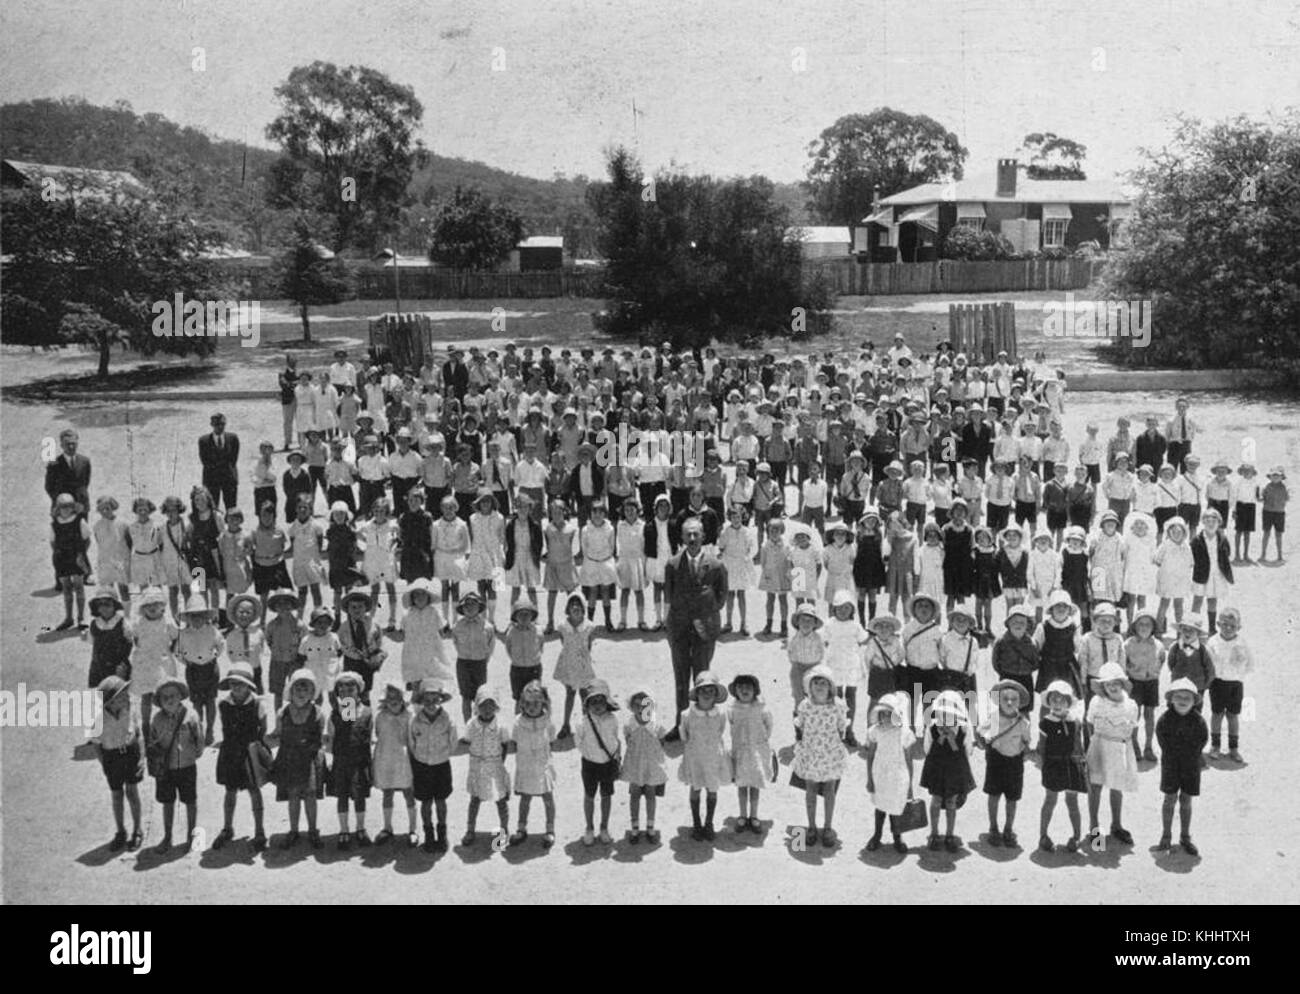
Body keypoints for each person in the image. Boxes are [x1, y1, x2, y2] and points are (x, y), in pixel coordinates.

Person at [662, 517, 726, 740]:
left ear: (703, 537)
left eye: (695, 534)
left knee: (702, 680)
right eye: (687, 534)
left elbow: (721, 597)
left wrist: (704, 615)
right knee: (681, 679)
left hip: (704, 631)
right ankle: (680, 725)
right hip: (679, 630)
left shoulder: (716, 565)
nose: (691, 538)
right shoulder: (672, 564)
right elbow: (669, 597)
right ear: (681, 537)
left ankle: (702, 727)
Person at [212, 662, 269, 852]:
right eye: (233, 683)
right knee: (230, 790)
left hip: (249, 752)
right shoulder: (224, 704)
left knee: (255, 790)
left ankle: (260, 831)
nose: (236, 687)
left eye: (241, 683)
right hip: (231, 752)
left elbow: (264, 728)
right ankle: (227, 828)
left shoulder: (258, 704)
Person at [792, 665, 849, 848]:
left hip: (830, 754)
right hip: (811, 753)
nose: (819, 686)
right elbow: (800, 725)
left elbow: (842, 727)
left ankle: (828, 827)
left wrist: (832, 745)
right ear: (810, 687)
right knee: (811, 790)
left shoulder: (838, 705)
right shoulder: (805, 706)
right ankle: (810, 827)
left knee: (830, 790)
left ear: (831, 687)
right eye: (815, 682)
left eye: (823, 682)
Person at [271, 668, 327, 850]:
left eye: (307, 690)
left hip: (309, 759)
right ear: (290, 691)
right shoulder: (283, 712)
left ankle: (312, 830)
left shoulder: (318, 712)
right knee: (293, 794)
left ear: (313, 693)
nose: (302, 694)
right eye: (298, 689)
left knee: (310, 795)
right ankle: (293, 830)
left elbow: (322, 736)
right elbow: (277, 734)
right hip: (289, 758)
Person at [148, 675, 204, 854]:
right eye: (165, 698)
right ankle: (167, 836)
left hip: (187, 765)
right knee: (168, 802)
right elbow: (152, 743)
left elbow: (199, 739)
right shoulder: (157, 719)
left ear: (180, 696)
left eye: (173, 695)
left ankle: (191, 835)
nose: (170, 700)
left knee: (190, 801)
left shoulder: (191, 715)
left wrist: (193, 754)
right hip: (166, 768)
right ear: (160, 702)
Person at [1085, 661, 1139, 847]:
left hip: (1119, 747)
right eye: (1108, 684)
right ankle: (1094, 828)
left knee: (1117, 787)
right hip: (1099, 745)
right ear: (1102, 686)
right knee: (1096, 787)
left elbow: (1132, 728)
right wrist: (1093, 744)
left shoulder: (1131, 704)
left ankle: (1116, 825)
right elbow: (1089, 723)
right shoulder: (1096, 702)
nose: (1113, 687)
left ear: (1123, 683)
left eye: (1116, 682)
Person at [90, 675, 144, 852]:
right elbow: (97, 745)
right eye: (121, 695)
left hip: (130, 753)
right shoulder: (99, 720)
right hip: (112, 757)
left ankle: (137, 830)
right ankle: (120, 831)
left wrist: (141, 758)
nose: (126, 696)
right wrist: (104, 764)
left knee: (132, 792)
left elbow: (138, 733)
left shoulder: (130, 707)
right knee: (117, 795)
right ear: (109, 702)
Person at [977, 680, 1031, 848]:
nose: (1009, 702)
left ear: (1019, 702)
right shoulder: (994, 719)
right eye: (1005, 698)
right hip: (996, 761)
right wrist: (985, 744)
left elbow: (1026, 742)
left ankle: (1008, 829)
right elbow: (980, 734)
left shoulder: (1023, 722)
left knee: (1012, 798)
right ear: (998, 700)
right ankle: (993, 828)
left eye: (1013, 699)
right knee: (994, 795)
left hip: (1014, 763)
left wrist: (1024, 751)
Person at [1157, 678, 1207, 856]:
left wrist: (1190, 756)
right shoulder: (1165, 720)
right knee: (1169, 799)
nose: (1183, 700)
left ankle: (1185, 836)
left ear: (1194, 701)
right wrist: (1175, 755)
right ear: (1171, 699)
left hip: (1191, 766)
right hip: (1171, 765)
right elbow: (1162, 741)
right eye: (1178, 696)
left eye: (1187, 697)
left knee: (1186, 800)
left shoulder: (1198, 721)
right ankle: (1166, 835)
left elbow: (1202, 740)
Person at [408, 678, 458, 853]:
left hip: (441, 765)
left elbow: (453, 742)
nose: (430, 704)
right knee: (426, 801)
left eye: (434, 700)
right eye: (426, 701)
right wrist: (419, 758)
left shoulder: (447, 720)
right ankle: (428, 833)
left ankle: (442, 833)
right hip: (422, 766)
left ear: (441, 700)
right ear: (421, 702)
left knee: (441, 800)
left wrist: (442, 755)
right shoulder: (415, 721)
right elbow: (412, 742)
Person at [458, 685, 511, 846]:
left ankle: (503, 833)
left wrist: (500, 763)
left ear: (496, 707)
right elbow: (467, 740)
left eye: (491, 705)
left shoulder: (501, 725)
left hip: (494, 766)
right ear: (476, 707)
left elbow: (505, 745)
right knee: (475, 799)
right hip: (477, 766)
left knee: (500, 800)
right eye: (482, 705)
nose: (487, 709)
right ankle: (470, 830)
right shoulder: (472, 724)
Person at [1038, 680, 1087, 853]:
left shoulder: (1075, 721)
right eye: (1054, 700)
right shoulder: (1045, 723)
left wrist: (1082, 763)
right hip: (1053, 765)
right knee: (1050, 800)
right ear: (1049, 702)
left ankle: (1076, 837)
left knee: (1072, 802)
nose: (1057, 704)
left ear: (1068, 702)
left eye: (1062, 700)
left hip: (1071, 766)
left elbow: (1078, 744)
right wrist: (1044, 766)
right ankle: (1043, 835)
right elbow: (1041, 747)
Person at [510, 680, 557, 847]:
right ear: (522, 703)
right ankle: (521, 828)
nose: (532, 707)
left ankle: (550, 829)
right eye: (528, 703)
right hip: (526, 766)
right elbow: (514, 742)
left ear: (543, 702)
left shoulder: (548, 721)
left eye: (536, 703)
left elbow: (551, 741)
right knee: (525, 798)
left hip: (542, 765)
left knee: (548, 798)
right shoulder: (518, 722)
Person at [575, 678, 621, 845]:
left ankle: (604, 827)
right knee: (589, 796)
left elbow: (616, 739)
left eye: (600, 701)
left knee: (606, 796)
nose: (597, 705)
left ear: (607, 701)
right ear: (587, 704)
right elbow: (578, 741)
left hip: (607, 763)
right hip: (590, 764)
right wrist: (589, 754)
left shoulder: (612, 720)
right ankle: (589, 827)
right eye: (592, 701)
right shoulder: (583, 722)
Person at [727, 673, 773, 833]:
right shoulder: (732, 709)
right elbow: (732, 724)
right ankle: (742, 815)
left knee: (754, 784)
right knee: (741, 784)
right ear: (735, 691)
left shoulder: (762, 708)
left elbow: (769, 725)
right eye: (740, 687)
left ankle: (754, 816)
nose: (744, 690)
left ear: (755, 690)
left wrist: (761, 742)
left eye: (748, 687)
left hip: (756, 751)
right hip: (740, 751)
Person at [1206, 606, 1252, 763]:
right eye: (1224, 624)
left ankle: (1234, 748)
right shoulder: (1212, 641)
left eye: (1232, 626)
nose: (1228, 628)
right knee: (1217, 714)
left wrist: (1239, 675)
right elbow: (1208, 662)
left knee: (1233, 715)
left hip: (1235, 684)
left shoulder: (1242, 643)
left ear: (1239, 627)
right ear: (1218, 624)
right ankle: (1215, 745)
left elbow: (1250, 663)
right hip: (1217, 683)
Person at [622, 690, 668, 844]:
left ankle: (650, 826)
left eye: (645, 705)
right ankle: (634, 827)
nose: (641, 709)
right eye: (636, 705)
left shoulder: (656, 725)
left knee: (650, 794)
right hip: (635, 765)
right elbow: (628, 740)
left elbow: (662, 742)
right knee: (634, 794)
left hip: (651, 765)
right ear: (631, 707)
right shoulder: (629, 725)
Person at [198, 413, 240, 510]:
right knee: (212, 508)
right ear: (212, 425)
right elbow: (205, 461)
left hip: (229, 478)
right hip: (212, 479)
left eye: (222, 424)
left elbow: (234, 459)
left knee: (231, 508)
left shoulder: (233, 438)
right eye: (217, 425)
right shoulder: (204, 441)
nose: (220, 427)